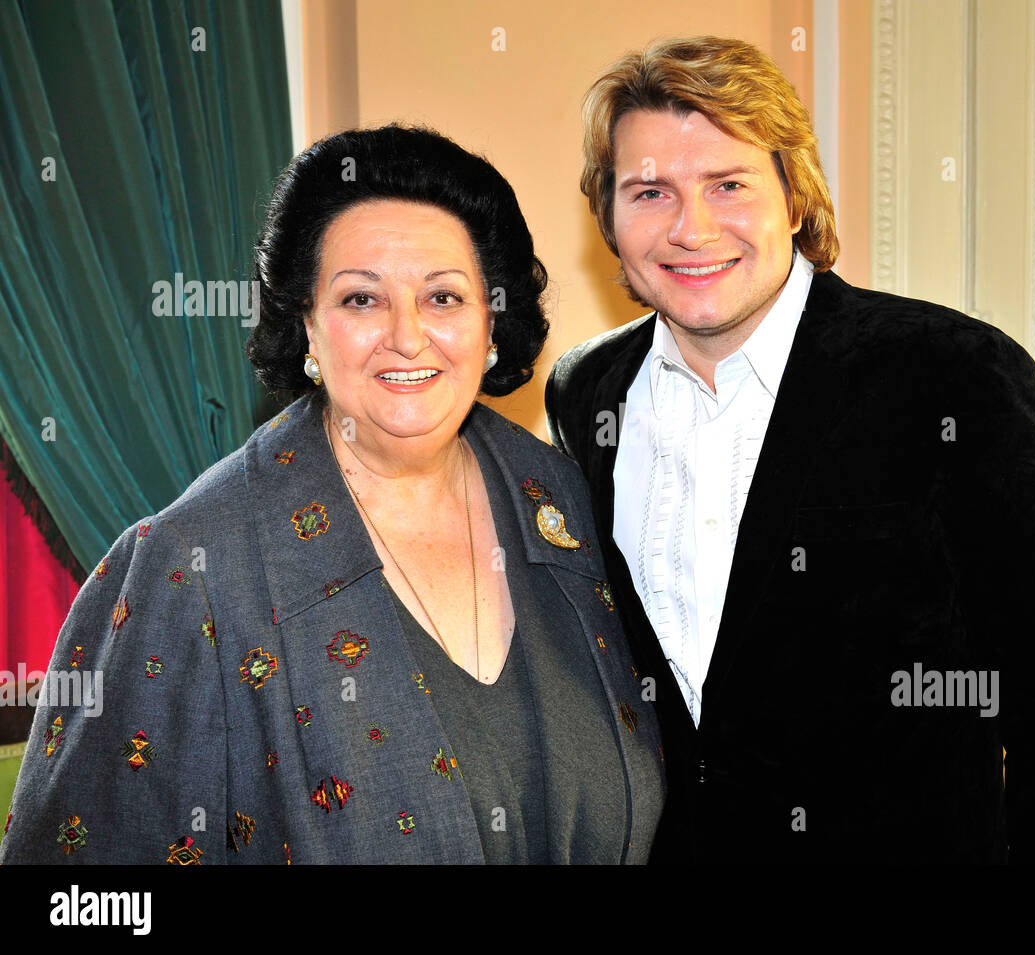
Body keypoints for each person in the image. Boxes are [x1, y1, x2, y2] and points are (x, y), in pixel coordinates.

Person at [0, 125, 663, 865]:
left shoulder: (564, 503)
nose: (407, 337)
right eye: (361, 299)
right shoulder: (191, 569)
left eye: (443, 296)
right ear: (307, 328)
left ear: (492, 326)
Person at [545, 36, 1035, 864]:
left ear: (794, 196)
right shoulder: (585, 391)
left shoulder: (951, 374)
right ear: (609, 214)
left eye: (728, 183)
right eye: (650, 191)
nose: (692, 227)